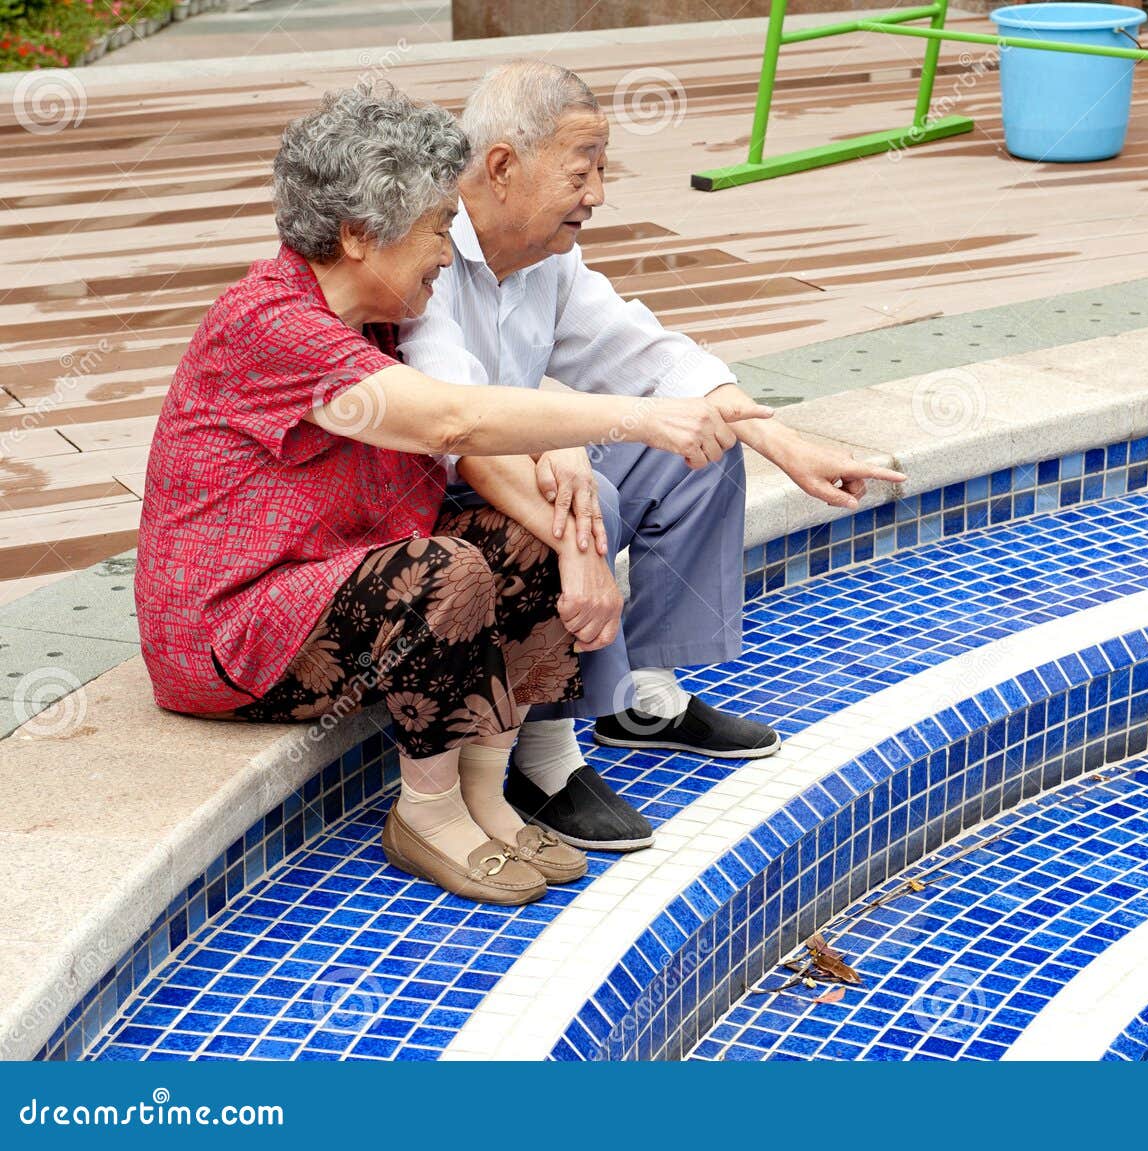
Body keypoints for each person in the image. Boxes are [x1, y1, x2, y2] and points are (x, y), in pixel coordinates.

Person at [134, 84, 771, 905]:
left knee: (523, 537)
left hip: (336, 584)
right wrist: (644, 419)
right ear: (361, 235)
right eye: (437, 227)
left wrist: (582, 550)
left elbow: (493, 421)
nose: (448, 248)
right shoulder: (269, 324)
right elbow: (456, 420)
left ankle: (484, 792)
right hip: (234, 630)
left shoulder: (383, 316)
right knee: (445, 570)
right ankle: (426, 814)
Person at [399, 61, 907, 852]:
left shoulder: (546, 258)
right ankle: (545, 756)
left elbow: (649, 356)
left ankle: (644, 695)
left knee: (695, 446)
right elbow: (457, 426)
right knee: (584, 488)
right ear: (503, 167)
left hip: (527, 465)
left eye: (602, 168)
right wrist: (559, 454)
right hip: (443, 501)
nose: (598, 193)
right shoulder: (422, 253)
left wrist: (777, 438)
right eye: (584, 169)